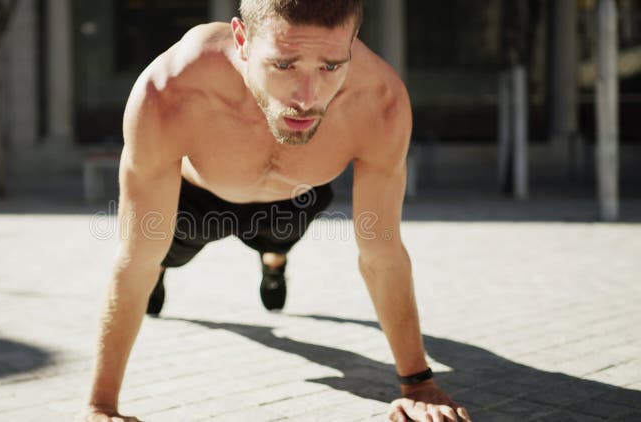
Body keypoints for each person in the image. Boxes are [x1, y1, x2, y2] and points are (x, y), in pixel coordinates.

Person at [79, 1, 471, 421]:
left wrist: (419, 385)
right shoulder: (169, 91)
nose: (307, 97)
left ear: (352, 43)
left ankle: (273, 261)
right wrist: (102, 406)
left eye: (331, 66)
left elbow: (382, 253)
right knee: (156, 257)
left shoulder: (380, 101)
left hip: (295, 197)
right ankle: (168, 274)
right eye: (284, 65)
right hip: (198, 202)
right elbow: (135, 257)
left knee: (279, 237)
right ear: (242, 40)